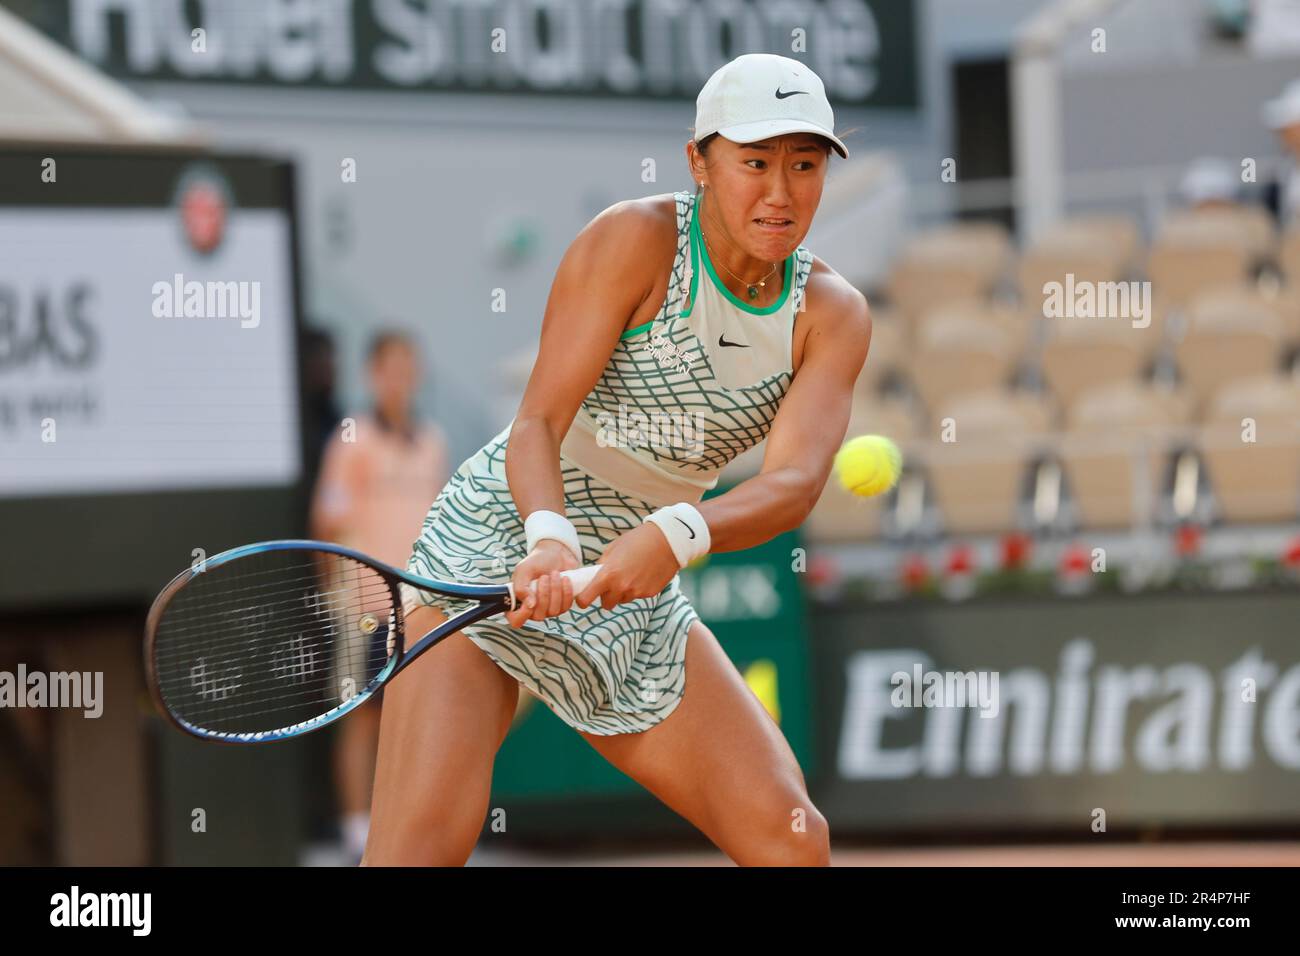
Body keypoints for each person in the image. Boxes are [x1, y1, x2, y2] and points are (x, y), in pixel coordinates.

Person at [365, 53, 871, 867]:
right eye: (754, 163)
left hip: (639, 573)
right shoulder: (633, 240)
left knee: (793, 839)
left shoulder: (831, 314)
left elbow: (793, 485)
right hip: (503, 540)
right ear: (698, 162)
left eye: (804, 165)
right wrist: (552, 537)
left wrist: (672, 536)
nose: (780, 193)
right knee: (416, 857)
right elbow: (536, 422)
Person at [309, 329, 449, 865]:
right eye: (390, 368)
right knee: (361, 715)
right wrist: (337, 595)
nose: (400, 378)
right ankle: (355, 832)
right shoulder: (351, 440)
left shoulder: (433, 441)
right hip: (360, 607)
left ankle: (412, 829)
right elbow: (326, 520)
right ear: (372, 375)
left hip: (421, 608)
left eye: (408, 367)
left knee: (417, 718)